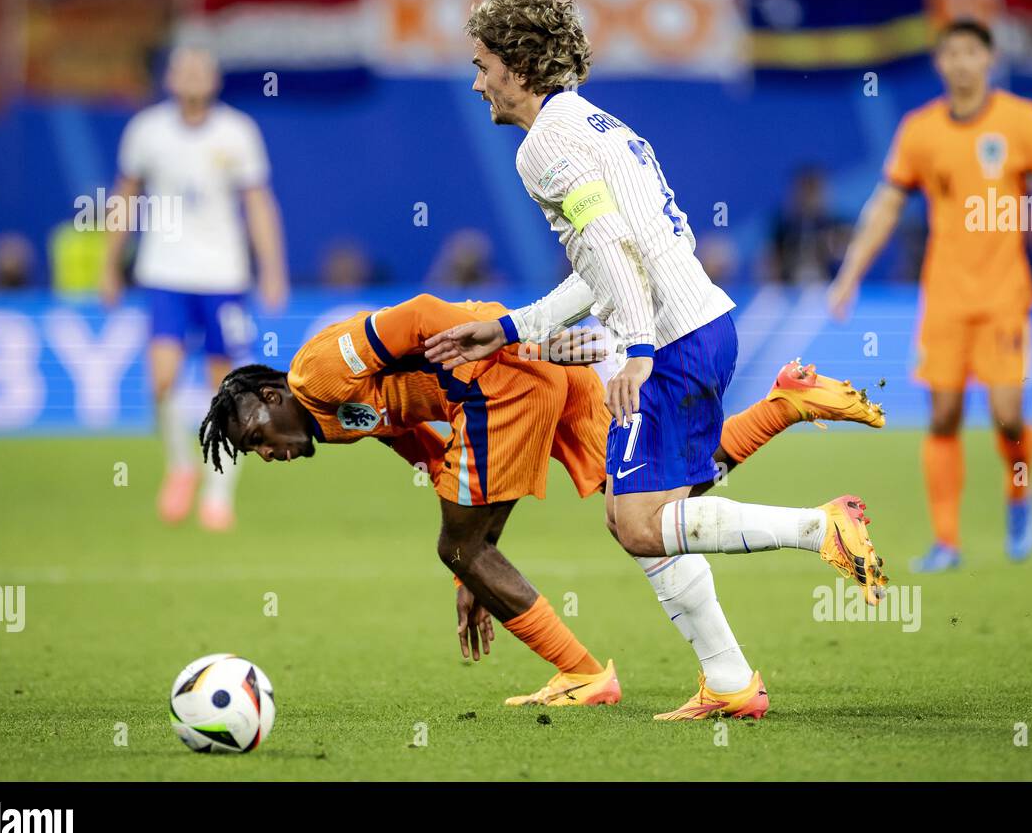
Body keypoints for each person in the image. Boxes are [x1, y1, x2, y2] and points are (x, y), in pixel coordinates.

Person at [423, 0, 888, 720]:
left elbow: (609, 245)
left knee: (640, 521)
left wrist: (636, 347)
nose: (476, 82)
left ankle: (820, 525)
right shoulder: (594, 125)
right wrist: (514, 328)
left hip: (670, 341)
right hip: (701, 328)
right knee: (643, 515)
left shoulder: (545, 145)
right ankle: (730, 680)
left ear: (519, 62)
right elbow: (603, 259)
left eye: (483, 64)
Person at [199, 292, 886, 713]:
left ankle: (583, 672)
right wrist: (473, 562)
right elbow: (415, 442)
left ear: (269, 399)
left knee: (461, 545)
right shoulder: (328, 419)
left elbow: (417, 316)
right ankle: (787, 403)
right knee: (653, 496)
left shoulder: (315, 371)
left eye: (257, 436)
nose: (267, 452)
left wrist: (470, 554)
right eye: (254, 453)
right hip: (538, 380)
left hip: (501, 380)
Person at [826, 18, 1032, 572]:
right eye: (950, 53)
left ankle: (1019, 495)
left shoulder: (1022, 121)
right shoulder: (921, 130)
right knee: (944, 415)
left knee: (1006, 415)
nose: (960, 63)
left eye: (971, 52)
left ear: (989, 59)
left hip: (1005, 296)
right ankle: (946, 542)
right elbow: (886, 205)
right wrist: (851, 272)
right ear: (939, 63)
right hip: (945, 299)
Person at [102, 46, 288, 531]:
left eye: (201, 69)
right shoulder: (147, 131)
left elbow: (258, 203)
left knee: (223, 388)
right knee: (161, 379)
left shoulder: (237, 132)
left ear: (214, 79)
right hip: (163, 273)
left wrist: (271, 268)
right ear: (170, 78)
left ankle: (218, 492)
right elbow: (123, 197)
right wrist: (108, 265)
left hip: (222, 277)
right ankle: (182, 466)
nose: (192, 77)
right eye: (183, 69)